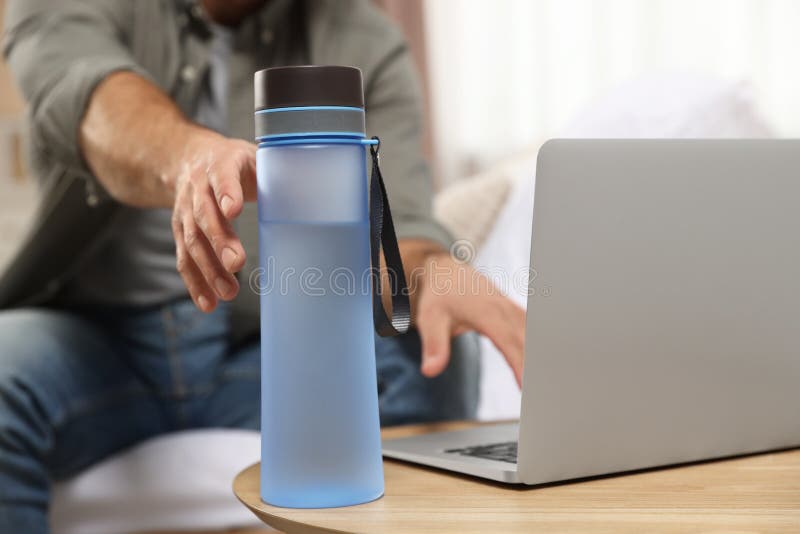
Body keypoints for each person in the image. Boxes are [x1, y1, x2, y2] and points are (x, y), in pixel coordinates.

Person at [0, 0, 525, 531]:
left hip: (255, 355)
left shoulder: (365, 40)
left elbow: (399, 226)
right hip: (97, 347)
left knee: (430, 349)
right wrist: (188, 158)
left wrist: (431, 270)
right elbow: (92, 104)